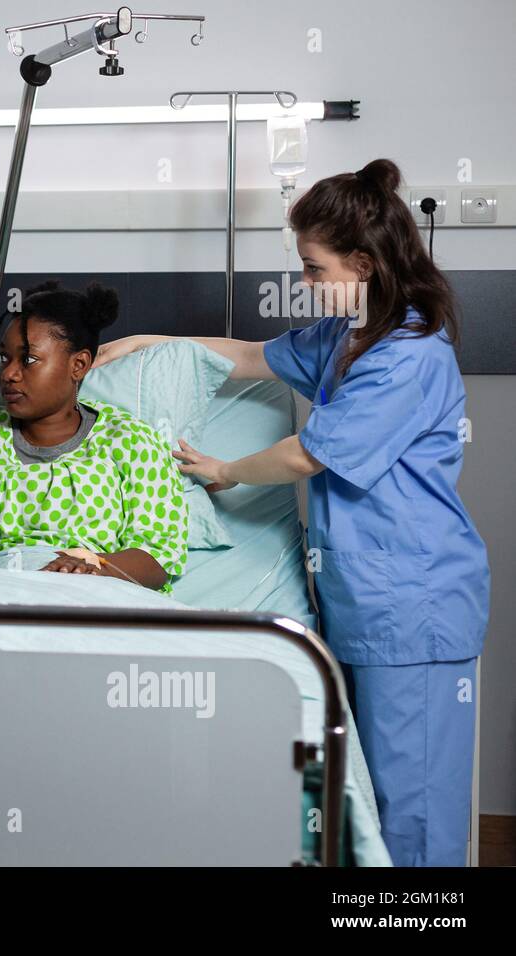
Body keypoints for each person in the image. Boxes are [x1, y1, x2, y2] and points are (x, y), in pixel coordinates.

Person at [97, 159, 489, 866]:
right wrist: (145, 345)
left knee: (414, 811)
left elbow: (308, 456)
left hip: (415, 603)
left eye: (313, 269)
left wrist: (224, 472)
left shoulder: (407, 355)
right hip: (363, 600)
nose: (303, 286)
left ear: (363, 264)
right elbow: (249, 356)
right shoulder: (349, 335)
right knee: (366, 796)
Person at [0, 281, 189, 592]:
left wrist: (91, 567)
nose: (8, 374)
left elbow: (156, 559)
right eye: (5, 358)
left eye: (28, 360)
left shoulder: (133, 444)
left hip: (93, 595)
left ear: (78, 365)